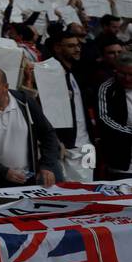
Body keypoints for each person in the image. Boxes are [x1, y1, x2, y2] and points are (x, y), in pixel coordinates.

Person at [47, 30, 94, 182]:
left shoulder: (74, 73)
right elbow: (46, 112)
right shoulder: (50, 73)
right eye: (71, 46)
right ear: (58, 48)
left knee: (88, 190)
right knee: (67, 193)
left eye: (78, 45)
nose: (77, 49)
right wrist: (55, 140)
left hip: (86, 145)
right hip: (66, 147)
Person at [95, 52, 132, 179]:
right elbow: (105, 119)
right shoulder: (108, 88)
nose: (127, 78)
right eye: (122, 74)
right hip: (125, 165)